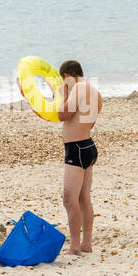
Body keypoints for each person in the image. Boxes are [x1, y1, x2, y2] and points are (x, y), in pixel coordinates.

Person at [58, 59, 102, 255]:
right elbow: (89, 123)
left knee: (69, 199)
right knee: (84, 198)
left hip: (76, 149)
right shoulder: (96, 92)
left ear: (67, 76)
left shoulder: (77, 89)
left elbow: (63, 114)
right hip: (88, 146)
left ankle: (75, 246)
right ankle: (87, 243)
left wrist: (63, 94)